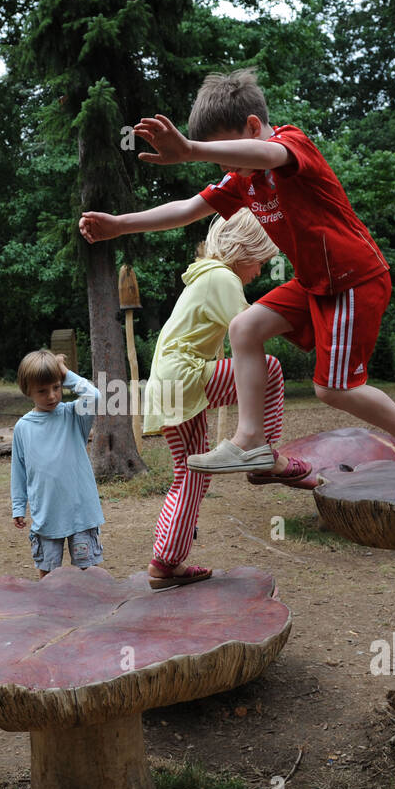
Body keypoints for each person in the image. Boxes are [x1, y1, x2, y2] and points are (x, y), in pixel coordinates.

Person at [79, 68, 395, 506]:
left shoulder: (291, 146)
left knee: (333, 389)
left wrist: (190, 150)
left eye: (226, 152)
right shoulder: (243, 179)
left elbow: (271, 154)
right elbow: (188, 209)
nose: (224, 166)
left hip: (355, 279)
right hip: (315, 283)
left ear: (253, 128)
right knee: (245, 328)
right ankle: (252, 438)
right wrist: (119, 226)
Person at [143, 209, 304, 590]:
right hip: (184, 377)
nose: (261, 272)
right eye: (261, 262)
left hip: (170, 382)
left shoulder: (206, 275)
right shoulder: (222, 277)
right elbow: (252, 329)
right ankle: (264, 455)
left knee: (191, 474)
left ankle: (166, 563)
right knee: (270, 369)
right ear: (246, 252)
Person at [11, 350, 104, 578]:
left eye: (56, 387)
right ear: (28, 390)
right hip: (46, 515)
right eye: (42, 391)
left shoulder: (73, 415)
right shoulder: (23, 428)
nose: (52, 396)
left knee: (89, 574)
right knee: (47, 576)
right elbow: (19, 471)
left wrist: (65, 372)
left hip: (80, 513)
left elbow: (94, 396)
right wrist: (18, 506)